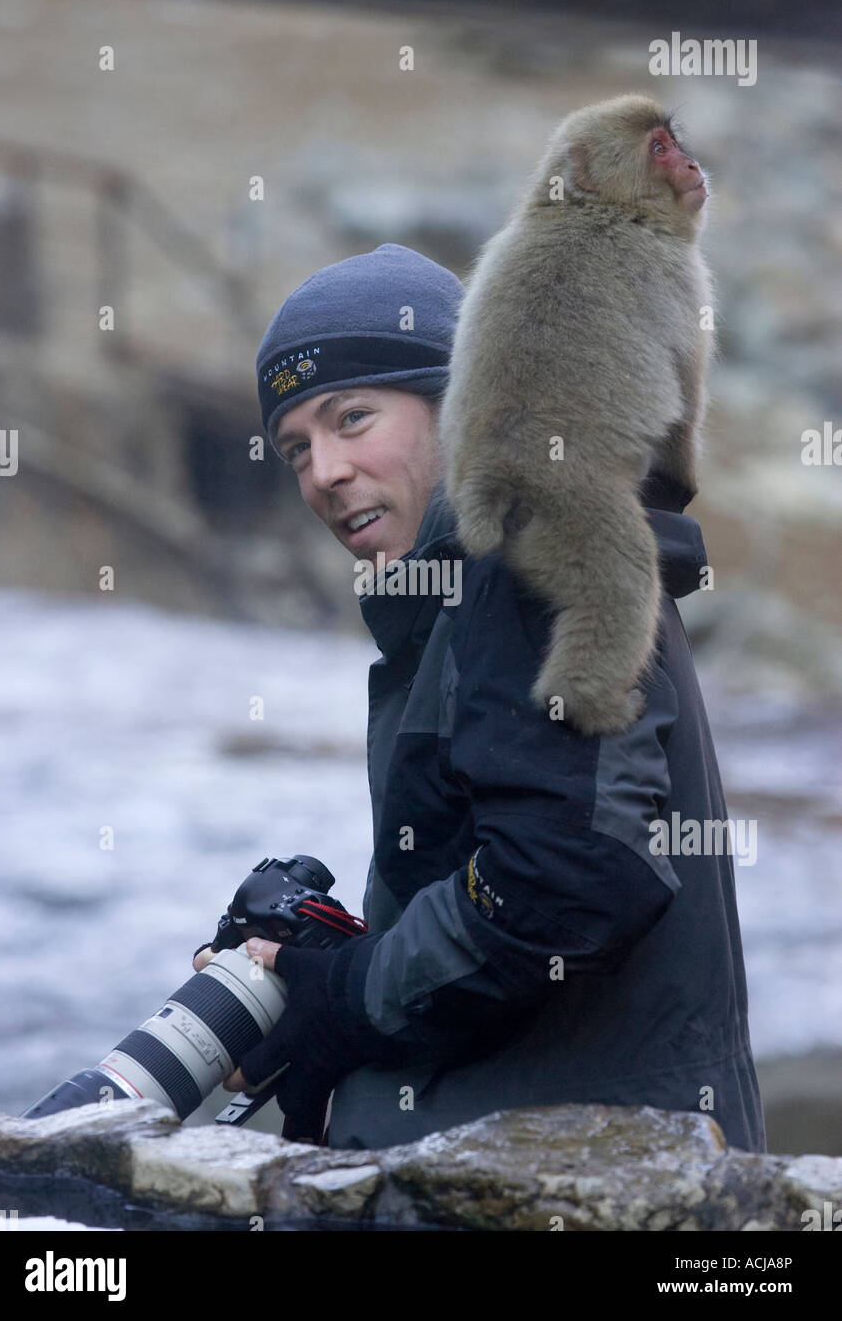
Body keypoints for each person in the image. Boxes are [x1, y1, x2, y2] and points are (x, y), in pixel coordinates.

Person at [194, 242, 767, 1154]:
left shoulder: (527, 558)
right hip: (529, 1167)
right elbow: (522, 856)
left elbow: (568, 880)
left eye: (353, 418)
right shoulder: (458, 598)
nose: (324, 473)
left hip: (590, 1187)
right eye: (295, 448)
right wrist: (336, 961)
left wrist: (347, 997)